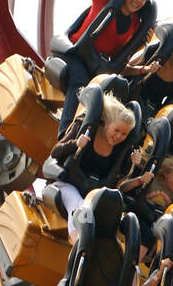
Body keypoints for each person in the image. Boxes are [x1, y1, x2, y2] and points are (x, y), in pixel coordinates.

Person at [58, 0, 153, 134]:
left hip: (97, 67)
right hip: (75, 54)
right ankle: (64, 134)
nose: (138, 0)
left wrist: (142, 68)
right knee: (80, 86)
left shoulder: (133, 24)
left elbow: (118, 64)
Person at [47, 94, 137, 240]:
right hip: (66, 184)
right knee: (80, 207)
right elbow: (55, 152)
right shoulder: (86, 128)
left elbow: (119, 174)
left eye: (124, 134)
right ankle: (79, 246)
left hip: (93, 193)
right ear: (107, 123)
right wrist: (75, 144)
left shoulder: (120, 148)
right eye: (117, 130)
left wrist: (133, 162)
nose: (119, 136)